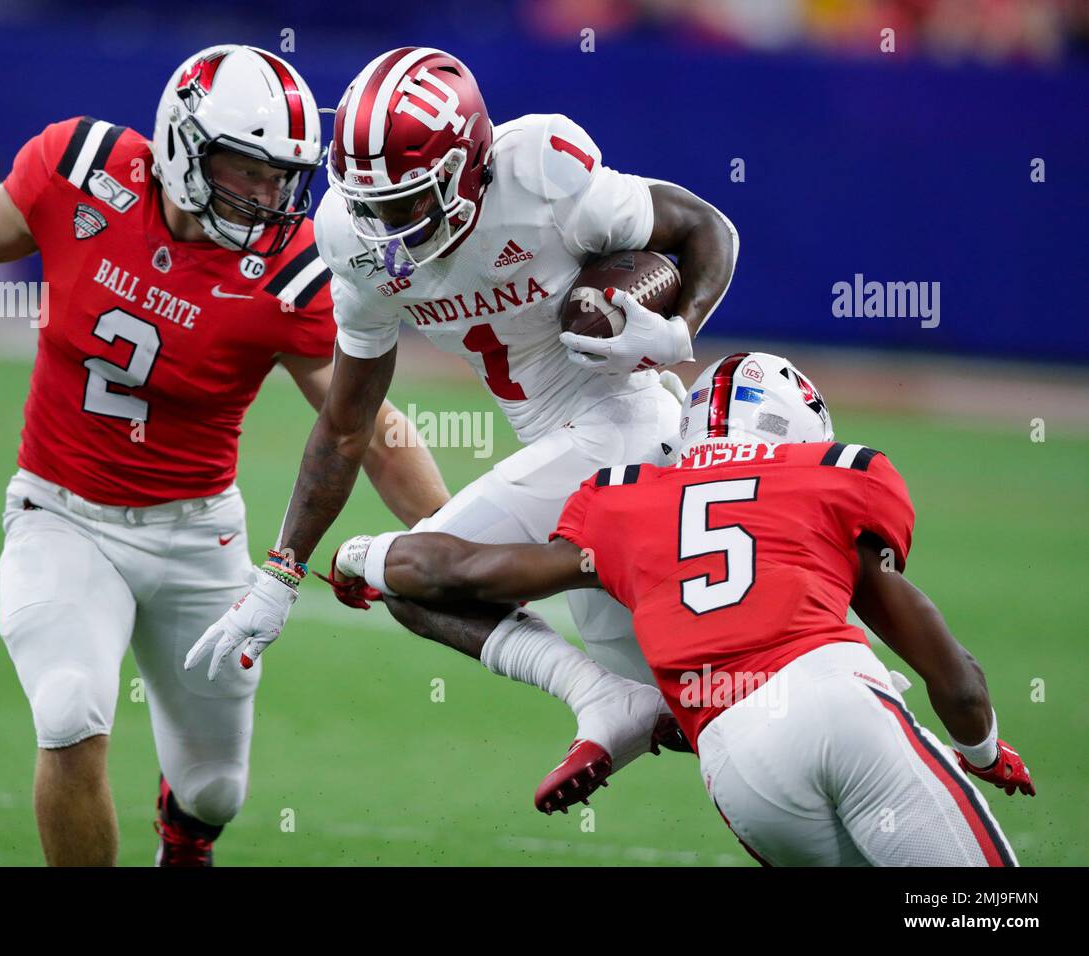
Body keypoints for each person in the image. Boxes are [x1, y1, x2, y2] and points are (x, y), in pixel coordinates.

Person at [0, 44, 447, 866]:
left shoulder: (290, 268)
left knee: (216, 789)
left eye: (283, 176)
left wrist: (450, 535)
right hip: (59, 515)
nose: (271, 196)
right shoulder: (83, 171)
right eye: (247, 171)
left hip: (196, 532)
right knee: (69, 717)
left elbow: (367, 426)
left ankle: (183, 836)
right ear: (183, 146)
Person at [187, 46, 739, 807]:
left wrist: (678, 333)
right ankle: (614, 690)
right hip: (560, 448)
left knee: (387, 566)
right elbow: (349, 423)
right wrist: (281, 569)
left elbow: (707, 228)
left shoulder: (544, 173)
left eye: (405, 202)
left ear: (467, 167)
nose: (384, 226)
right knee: (705, 709)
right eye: (368, 204)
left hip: (625, 419)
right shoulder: (355, 239)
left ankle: (623, 662)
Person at [334, 351, 1034, 865]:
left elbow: (459, 568)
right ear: (800, 427)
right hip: (832, 701)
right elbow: (958, 679)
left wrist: (363, 555)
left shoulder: (626, 501)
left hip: (734, 760)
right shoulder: (835, 479)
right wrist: (982, 749)